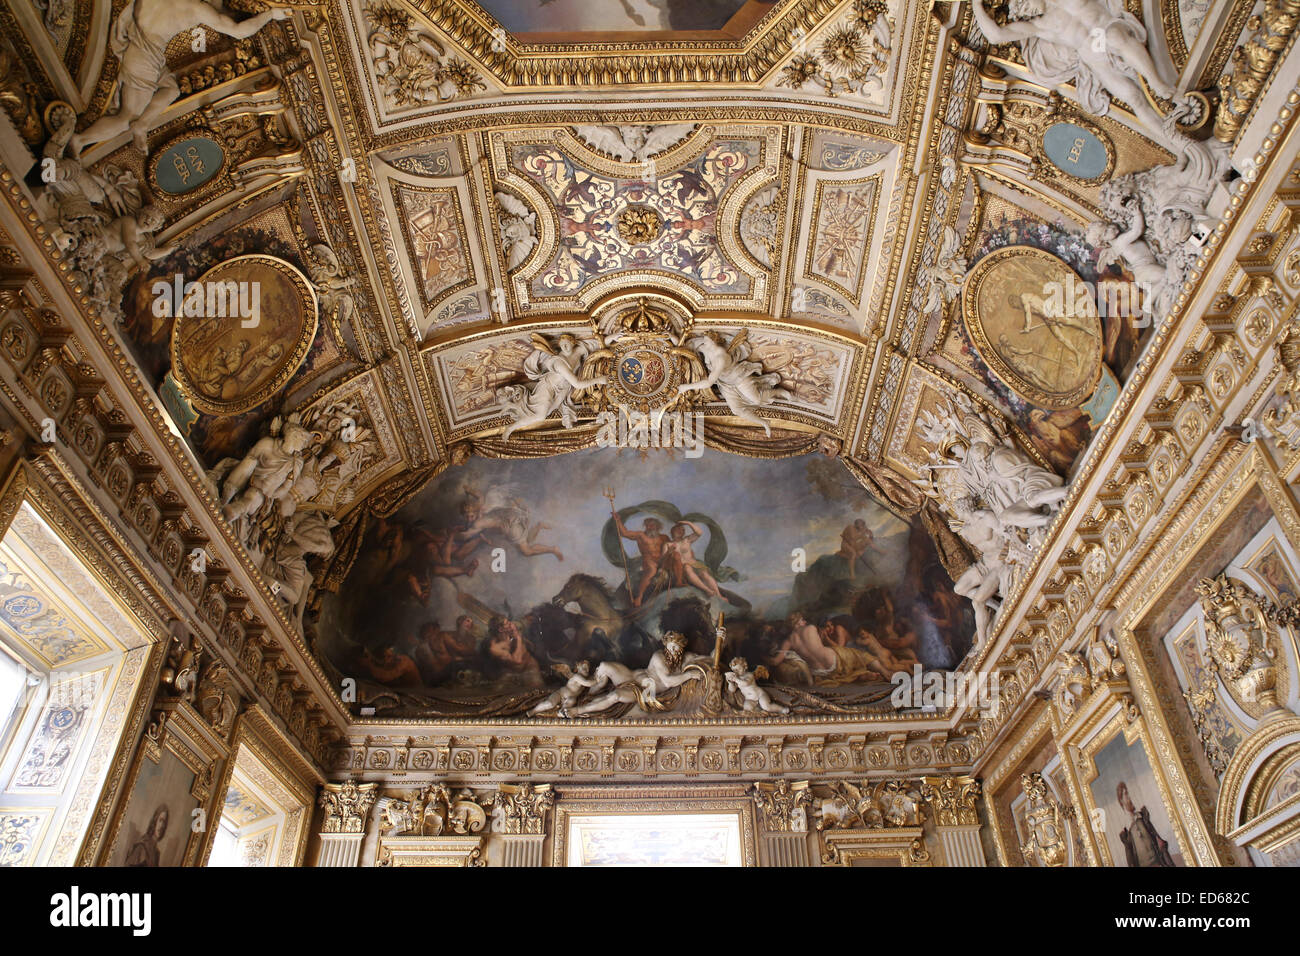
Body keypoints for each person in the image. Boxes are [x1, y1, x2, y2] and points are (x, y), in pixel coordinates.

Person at [611, 511, 671, 607]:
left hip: (662, 560)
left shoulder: (664, 537)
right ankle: (639, 596)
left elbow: (670, 548)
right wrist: (618, 520)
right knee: (651, 571)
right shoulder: (640, 535)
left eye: (652, 525)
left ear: (657, 526)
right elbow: (625, 533)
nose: (649, 527)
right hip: (649, 560)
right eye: (647, 525)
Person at [1116, 781, 1176, 866]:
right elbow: (1131, 860)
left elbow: (1157, 838)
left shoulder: (1143, 817)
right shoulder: (1126, 832)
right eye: (1126, 794)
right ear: (1121, 801)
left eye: (1128, 793)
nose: (1129, 797)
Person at [666, 520, 723, 600]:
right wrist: (669, 551)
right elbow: (662, 560)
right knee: (687, 568)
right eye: (678, 529)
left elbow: (699, 532)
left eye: (682, 530)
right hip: (682, 566)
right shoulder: (668, 544)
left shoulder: (687, 540)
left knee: (705, 574)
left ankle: (719, 595)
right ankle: (707, 590)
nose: (680, 531)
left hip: (694, 563)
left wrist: (687, 523)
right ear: (672, 531)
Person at [485, 617, 541, 682]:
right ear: (500, 629)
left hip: (530, 668)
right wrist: (518, 637)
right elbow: (518, 661)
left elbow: (531, 646)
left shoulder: (510, 635)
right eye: (507, 623)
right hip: (512, 673)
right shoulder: (495, 648)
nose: (511, 623)